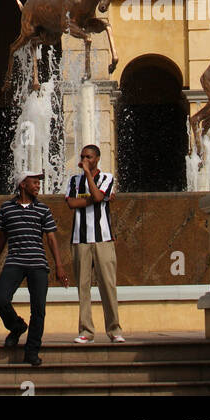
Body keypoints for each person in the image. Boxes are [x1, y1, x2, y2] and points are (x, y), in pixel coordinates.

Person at [0, 172, 69, 364]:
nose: (38, 185)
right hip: (14, 261)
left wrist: (59, 265)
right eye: (34, 182)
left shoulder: (43, 209)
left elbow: (51, 238)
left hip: (38, 264)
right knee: (1, 298)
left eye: (38, 182)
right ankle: (16, 327)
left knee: (38, 310)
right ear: (22, 185)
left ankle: (32, 351)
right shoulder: (7, 208)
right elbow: (2, 238)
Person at [65, 143, 124, 344]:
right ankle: (86, 331)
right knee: (83, 287)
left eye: (88, 157)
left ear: (97, 158)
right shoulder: (73, 180)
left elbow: (99, 195)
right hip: (79, 240)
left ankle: (114, 329)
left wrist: (90, 179)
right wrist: (96, 198)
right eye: (82, 157)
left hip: (103, 239)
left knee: (108, 285)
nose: (84, 161)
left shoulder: (106, 177)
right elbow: (72, 203)